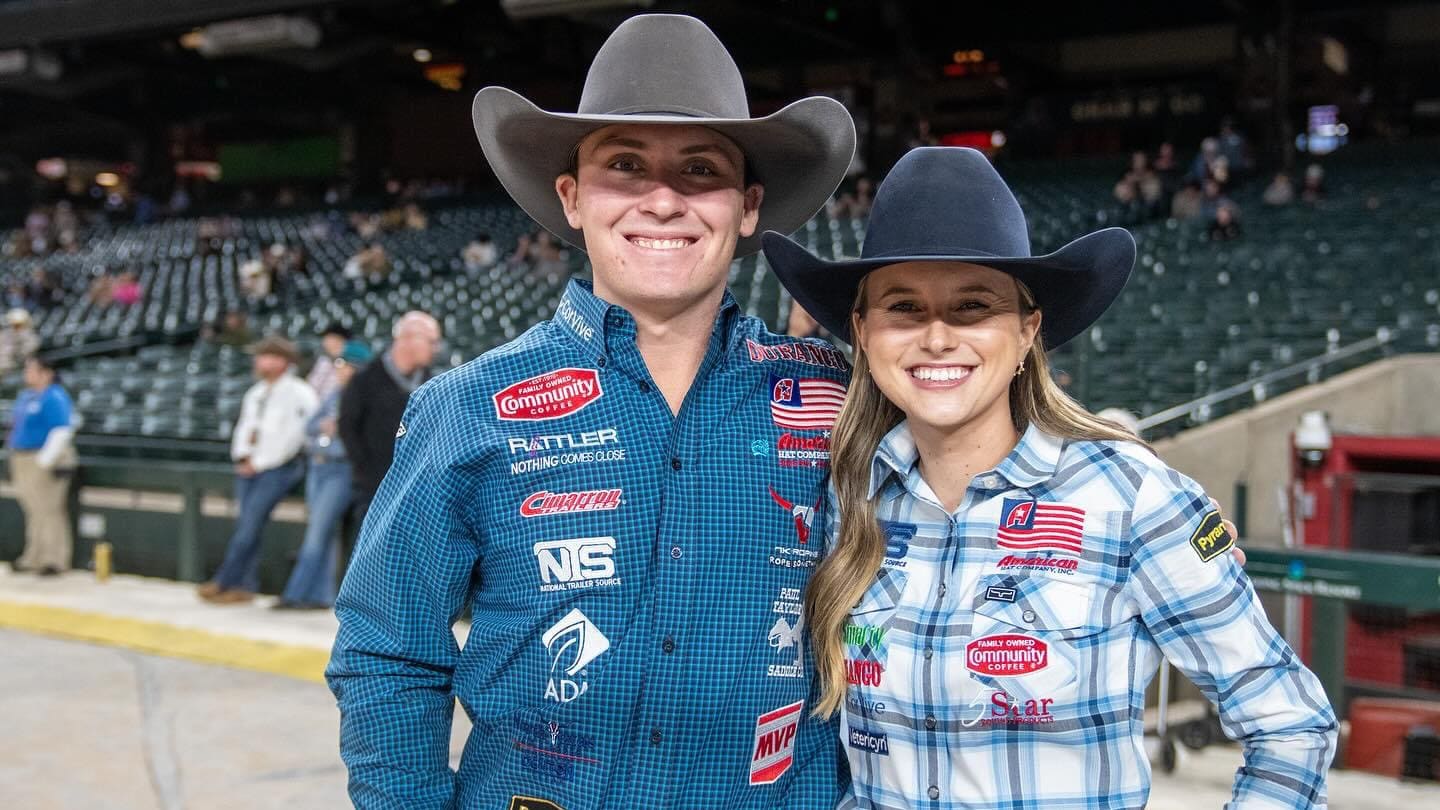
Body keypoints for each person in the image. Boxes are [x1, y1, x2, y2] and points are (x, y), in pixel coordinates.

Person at [327, 14, 856, 809]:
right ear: (571, 198)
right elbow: (387, 653)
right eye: (625, 165)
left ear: (748, 207)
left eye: (700, 170)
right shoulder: (467, 407)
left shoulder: (837, 399)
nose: (663, 200)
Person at [765, 147, 1336, 809]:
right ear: (863, 333)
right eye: (904, 308)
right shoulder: (842, 501)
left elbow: (1291, 727)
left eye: (974, 306)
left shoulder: (1131, 498)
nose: (938, 337)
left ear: (1028, 329)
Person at [199, 336, 318, 604]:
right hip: (249, 467)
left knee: (249, 526)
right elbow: (244, 428)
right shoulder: (256, 393)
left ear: (282, 361)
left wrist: (260, 462)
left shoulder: (299, 392)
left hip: (280, 468)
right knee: (246, 526)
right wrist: (243, 457)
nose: (259, 361)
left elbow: (295, 437)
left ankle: (225, 580)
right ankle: (243, 584)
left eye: (265, 356)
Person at [276, 341, 373, 610]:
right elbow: (309, 425)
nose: (338, 370)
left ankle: (295, 593)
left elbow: (359, 439)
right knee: (323, 534)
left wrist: (336, 433)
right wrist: (324, 427)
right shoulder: (335, 394)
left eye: (343, 365)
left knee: (317, 533)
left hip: (340, 469)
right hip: (318, 467)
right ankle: (320, 595)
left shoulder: (364, 396)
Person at [336, 310, 440, 525]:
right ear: (408, 339)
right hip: (373, 488)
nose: (436, 348)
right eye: (431, 341)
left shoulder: (434, 383)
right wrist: (366, 472)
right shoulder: (365, 378)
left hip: (418, 490)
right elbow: (348, 427)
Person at [6, 355, 76, 576]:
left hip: (43, 458)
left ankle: (53, 559)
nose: (27, 373)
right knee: (33, 510)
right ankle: (33, 557)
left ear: (46, 373)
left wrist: (44, 460)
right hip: (22, 457)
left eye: (31, 369)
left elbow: (62, 430)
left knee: (49, 510)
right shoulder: (27, 396)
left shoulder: (54, 396)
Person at [306, 323, 352, 402]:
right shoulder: (313, 360)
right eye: (330, 339)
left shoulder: (349, 365)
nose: (333, 343)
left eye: (338, 340)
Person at [0, 308, 40, 373]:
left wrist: (16, 350)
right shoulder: (6, 334)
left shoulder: (30, 336)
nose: (13, 327)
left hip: (17, 368)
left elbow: (31, 347)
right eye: (12, 324)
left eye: (17, 325)